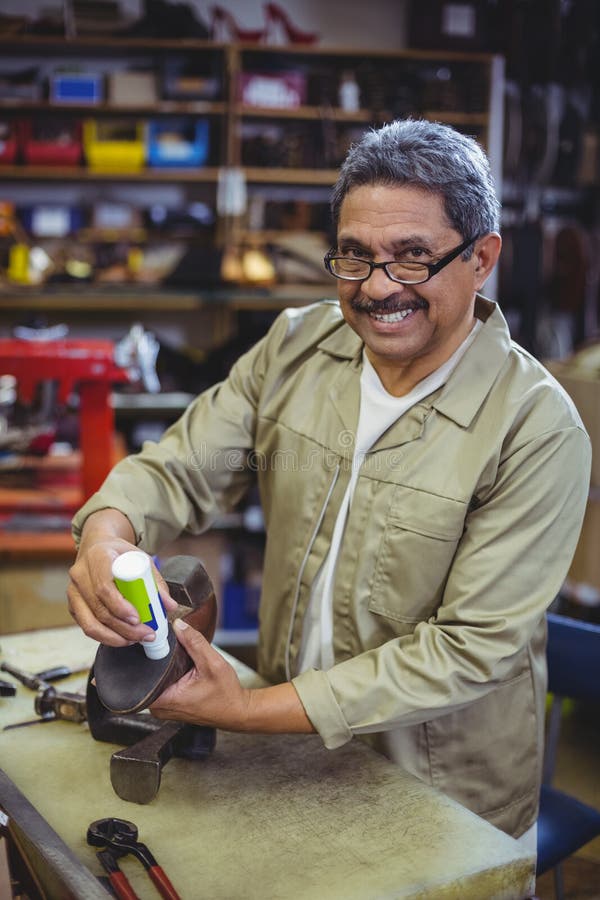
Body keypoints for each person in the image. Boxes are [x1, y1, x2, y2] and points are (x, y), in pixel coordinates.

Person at [69, 119, 590, 847]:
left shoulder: (536, 430)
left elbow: (468, 651)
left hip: (438, 800)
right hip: (284, 758)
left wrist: (250, 710)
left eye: (412, 259)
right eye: (354, 256)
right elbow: (185, 465)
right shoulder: (295, 348)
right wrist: (105, 535)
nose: (378, 288)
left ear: (483, 258)